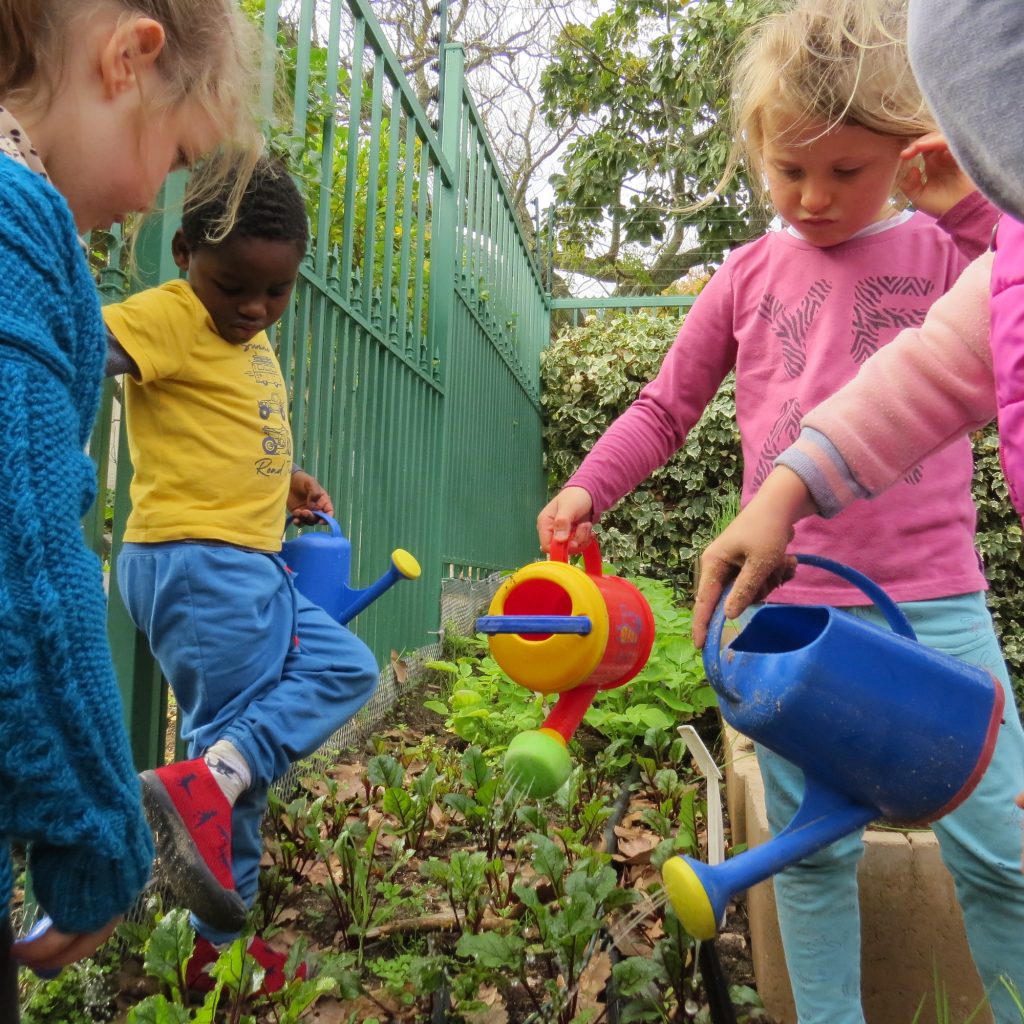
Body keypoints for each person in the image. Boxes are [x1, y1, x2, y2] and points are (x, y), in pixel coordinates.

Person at [536, 0, 1024, 1020]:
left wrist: (965, 202)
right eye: (787, 170)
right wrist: (589, 485)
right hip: (794, 618)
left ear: (909, 147)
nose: (811, 196)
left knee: (1004, 856)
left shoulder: (943, 248)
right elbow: (665, 404)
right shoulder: (746, 275)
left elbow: (1014, 277)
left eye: (846, 172)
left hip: (935, 610)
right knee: (809, 857)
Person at [0, 0, 260, 1014]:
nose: (157, 196)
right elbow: (21, 560)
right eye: (177, 153)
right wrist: (98, 829)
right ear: (128, 57)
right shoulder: (18, 227)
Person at [102, 155, 380, 994]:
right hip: (199, 565)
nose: (256, 310)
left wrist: (281, 482)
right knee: (235, 784)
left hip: (242, 561)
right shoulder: (175, 313)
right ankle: (213, 954)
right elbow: (75, 338)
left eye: (277, 293)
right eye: (234, 287)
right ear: (185, 252)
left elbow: (218, 426)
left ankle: (209, 783)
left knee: (347, 666)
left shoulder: (242, 333)